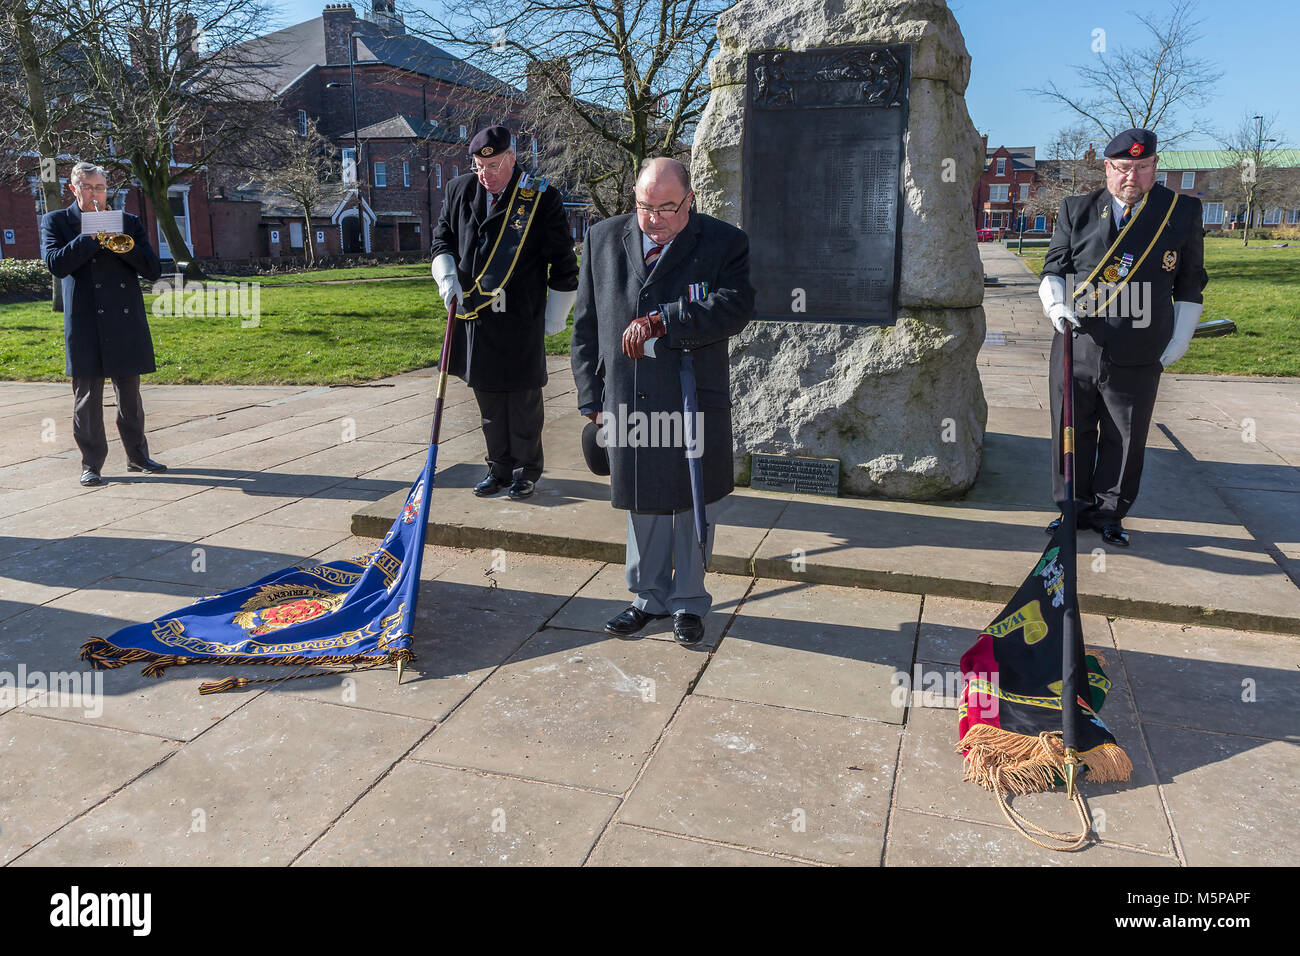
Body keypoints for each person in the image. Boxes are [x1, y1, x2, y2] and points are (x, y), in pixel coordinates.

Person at [571, 157, 754, 645]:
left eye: (666, 208)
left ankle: (689, 602)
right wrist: (592, 397)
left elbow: (735, 307)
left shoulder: (723, 242)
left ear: (689, 201)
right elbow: (586, 325)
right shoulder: (603, 238)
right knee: (643, 500)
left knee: (691, 500)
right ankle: (647, 598)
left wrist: (664, 320)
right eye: (644, 207)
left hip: (691, 396)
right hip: (629, 397)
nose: (652, 219)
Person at [1038, 128, 1208, 547]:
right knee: (1071, 429)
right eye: (1123, 168)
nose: (1132, 177)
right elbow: (1054, 268)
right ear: (1107, 169)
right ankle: (1071, 510)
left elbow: (1190, 283)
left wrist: (1180, 338)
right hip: (1077, 342)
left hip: (1141, 345)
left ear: (1154, 168)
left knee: (1126, 434)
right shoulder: (1077, 209)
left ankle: (1111, 513)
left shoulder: (1179, 212)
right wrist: (1056, 306)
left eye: (1143, 168)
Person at [430, 125, 578, 499]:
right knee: (489, 399)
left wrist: (556, 314)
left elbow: (562, 261)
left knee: (523, 400)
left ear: (512, 158)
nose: (486, 175)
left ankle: (526, 470)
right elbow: (442, 239)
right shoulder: (459, 189)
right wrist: (447, 278)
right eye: (480, 167)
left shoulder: (540, 198)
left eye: (494, 166)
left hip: (520, 317)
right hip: (475, 317)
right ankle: (498, 467)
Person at [41, 161, 166, 487]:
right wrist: (91, 237)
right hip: (84, 323)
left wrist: (123, 242)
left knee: (130, 397)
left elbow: (153, 270)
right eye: (88, 187)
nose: (95, 193)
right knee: (87, 400)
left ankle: (138, 458)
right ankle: (91, 464)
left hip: (124, 320)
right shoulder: (57, 221)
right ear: (73, 188)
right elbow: (56, 264)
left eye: (100, 187)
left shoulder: (128, 221)